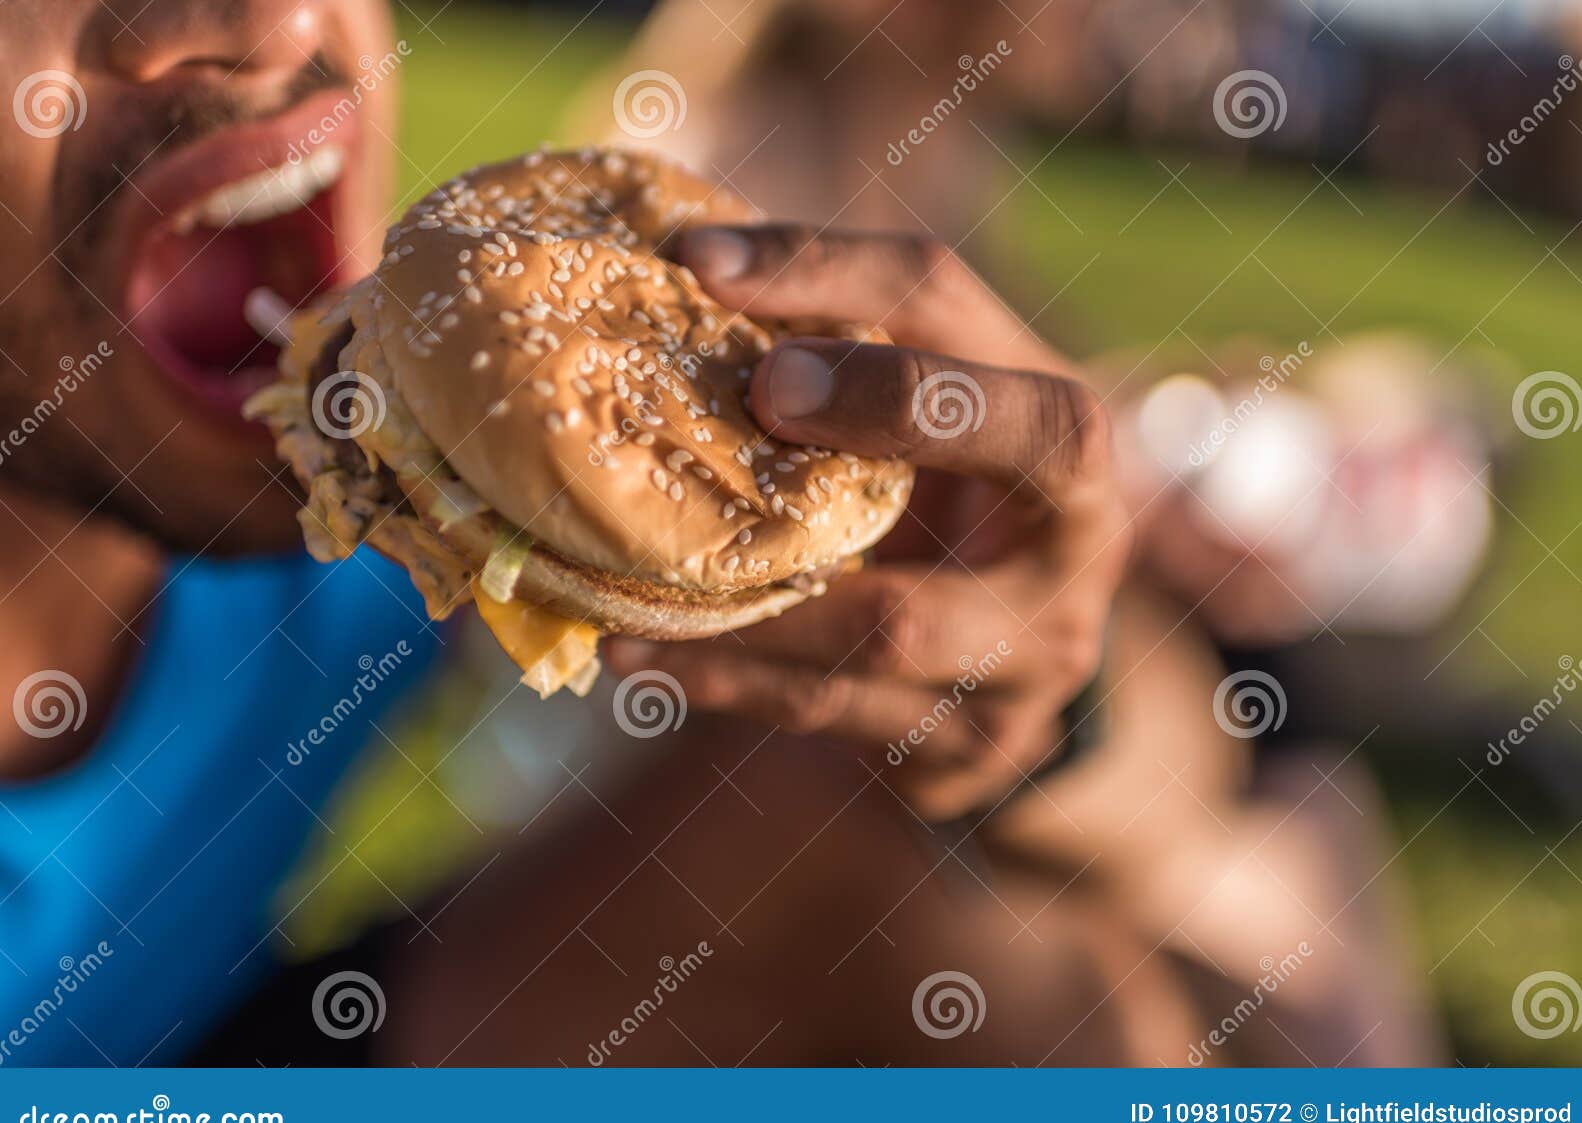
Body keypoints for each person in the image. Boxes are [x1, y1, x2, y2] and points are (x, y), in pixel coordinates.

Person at [0, 0, 1147, 1065]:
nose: (276, 22)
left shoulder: (393, 481)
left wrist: (1031, 698)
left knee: (966, 923)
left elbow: (1150, 776)